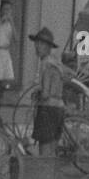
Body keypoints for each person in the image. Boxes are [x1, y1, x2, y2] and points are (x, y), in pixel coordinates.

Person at [29, 28, 66, 157]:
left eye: (41, 44)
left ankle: (44, 176)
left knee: (44, 152)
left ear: (48, 47)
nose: (37, 47)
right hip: (59, 109)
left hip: (47, 109)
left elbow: (45, 94)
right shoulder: (56, 63)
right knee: (52, 151)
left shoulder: (45, 63)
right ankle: (51, 176)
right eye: (37, 43)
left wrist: (36, 95)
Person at [0, 0, 17, 97]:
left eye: (9, 9)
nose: (8, 11)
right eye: (5, 9)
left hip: (6, 52)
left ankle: (3, 97)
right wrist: (1, 21)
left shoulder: (9, 24)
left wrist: (12, 22)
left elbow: (16, 39)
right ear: (1, 10)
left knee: (8, 76)